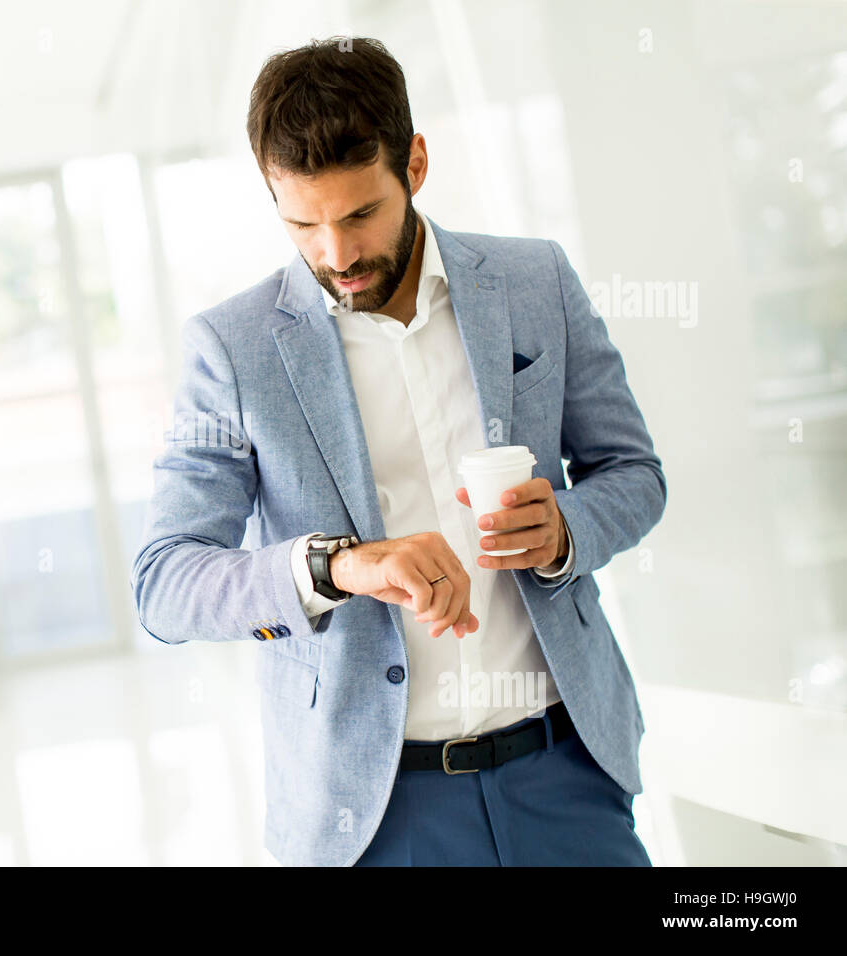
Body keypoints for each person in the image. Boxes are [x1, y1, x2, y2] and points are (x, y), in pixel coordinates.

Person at [130, 36, 666, 867]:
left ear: (414, 163)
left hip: (567, 775)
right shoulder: (233, 350)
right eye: (302, 223)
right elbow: (164, 580)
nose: (336, 256)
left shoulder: (534, 283)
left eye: (359, 215)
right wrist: (340, 567)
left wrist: (564, 530)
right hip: (376, 818)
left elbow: (635, 475)